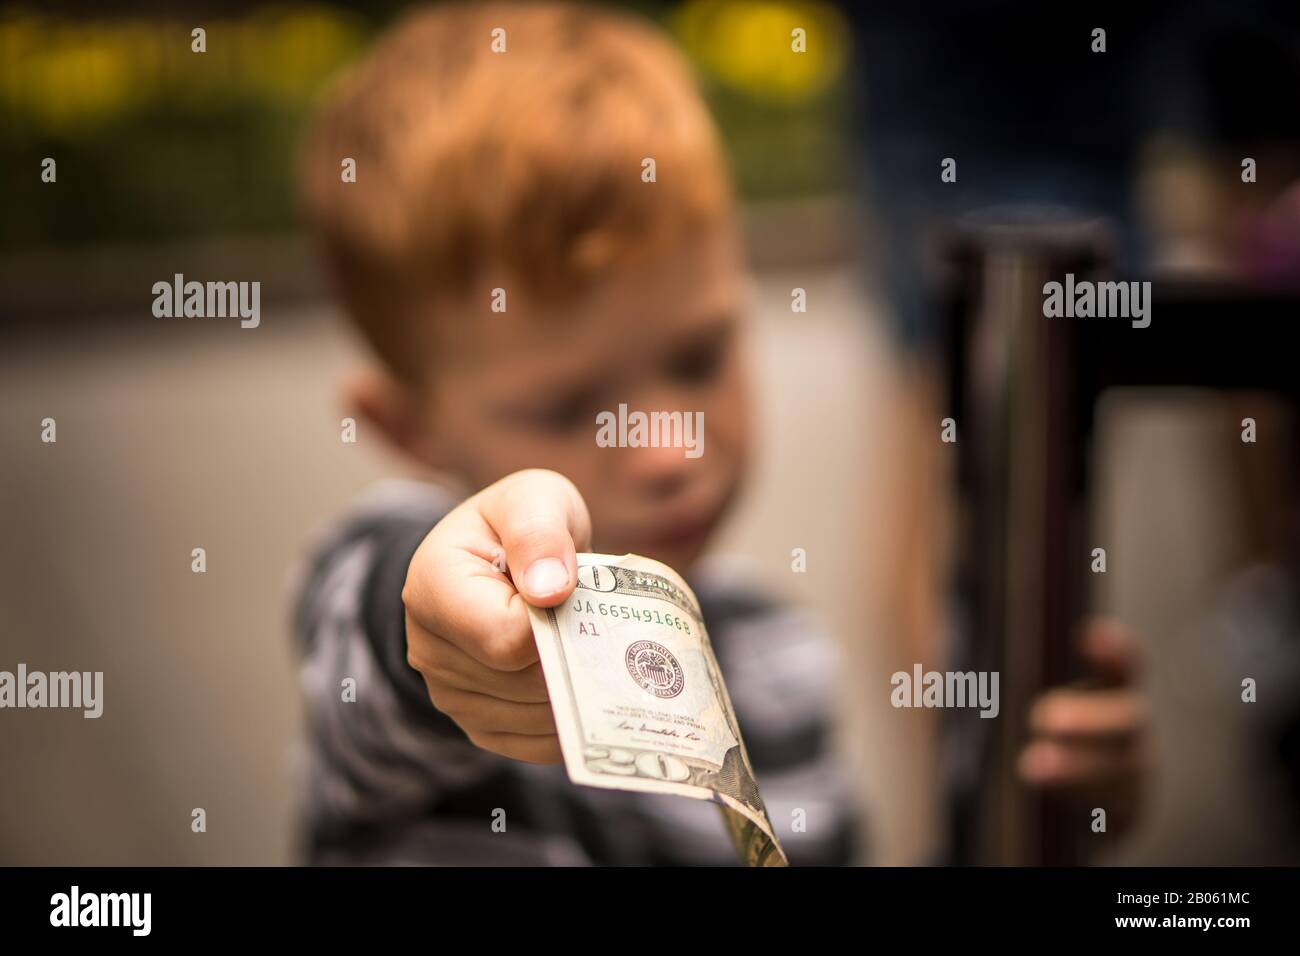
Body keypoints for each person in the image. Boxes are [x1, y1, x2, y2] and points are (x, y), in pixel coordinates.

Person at [291, 1, 1144, 865]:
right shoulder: (383, 600)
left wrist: (1049, 817)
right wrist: (440, 640)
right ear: (406, 428)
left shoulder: (783, 657)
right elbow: (380, 624)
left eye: (699, 358)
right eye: (564, 409)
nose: (672, 450)